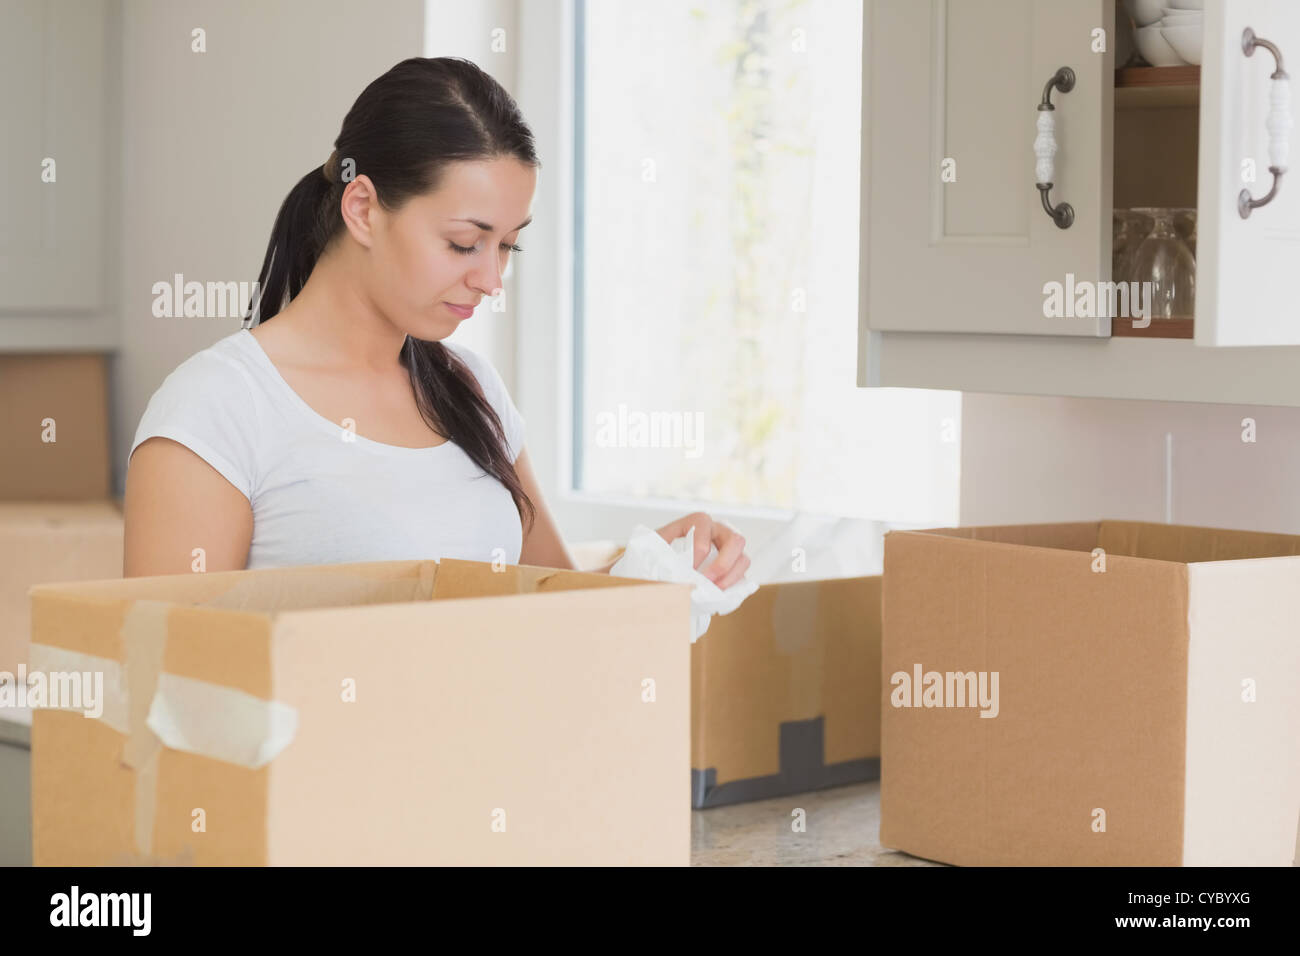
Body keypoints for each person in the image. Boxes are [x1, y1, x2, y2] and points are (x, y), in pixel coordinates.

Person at [123, 56, 750, 586]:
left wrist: (656, 561)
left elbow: (549, 610)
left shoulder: (471, 389)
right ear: (364, 209)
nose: (491, 279)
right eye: (462, 242)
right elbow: (170, 676)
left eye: (508, 244)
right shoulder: (218, 409)